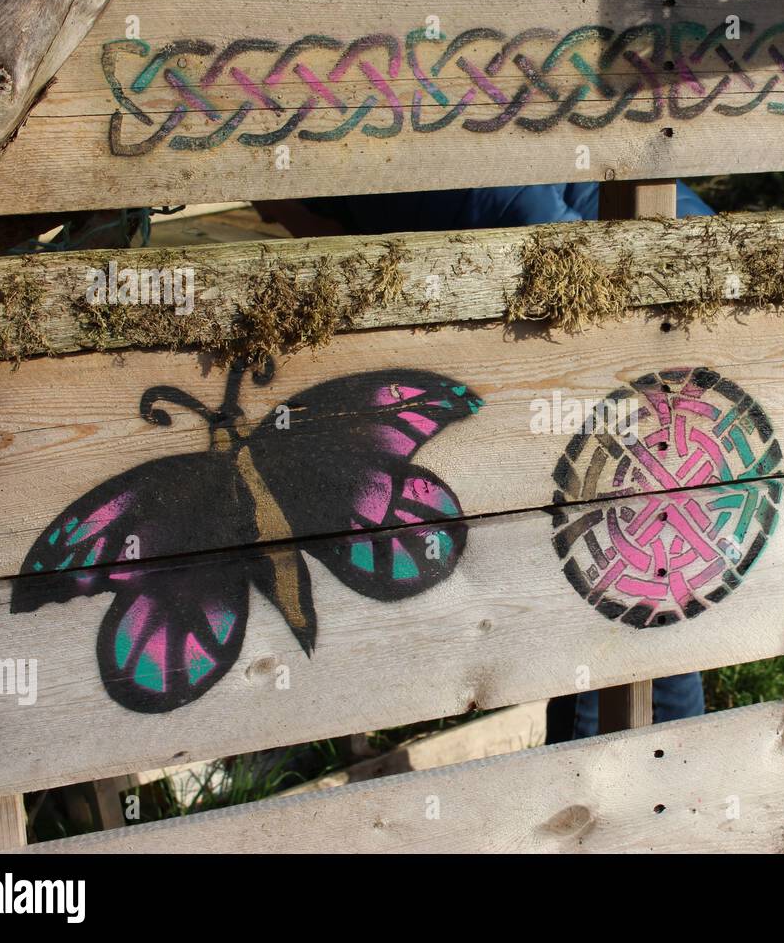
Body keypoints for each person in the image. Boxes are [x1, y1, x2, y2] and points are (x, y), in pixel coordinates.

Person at [262, 181, 714, 743]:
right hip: (673, 337)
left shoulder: (452, 190)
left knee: (613, 615)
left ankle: (607, 792)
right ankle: (648, 787)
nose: (267, 212)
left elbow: (548, 251)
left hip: (621, 350)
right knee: (644, 603)